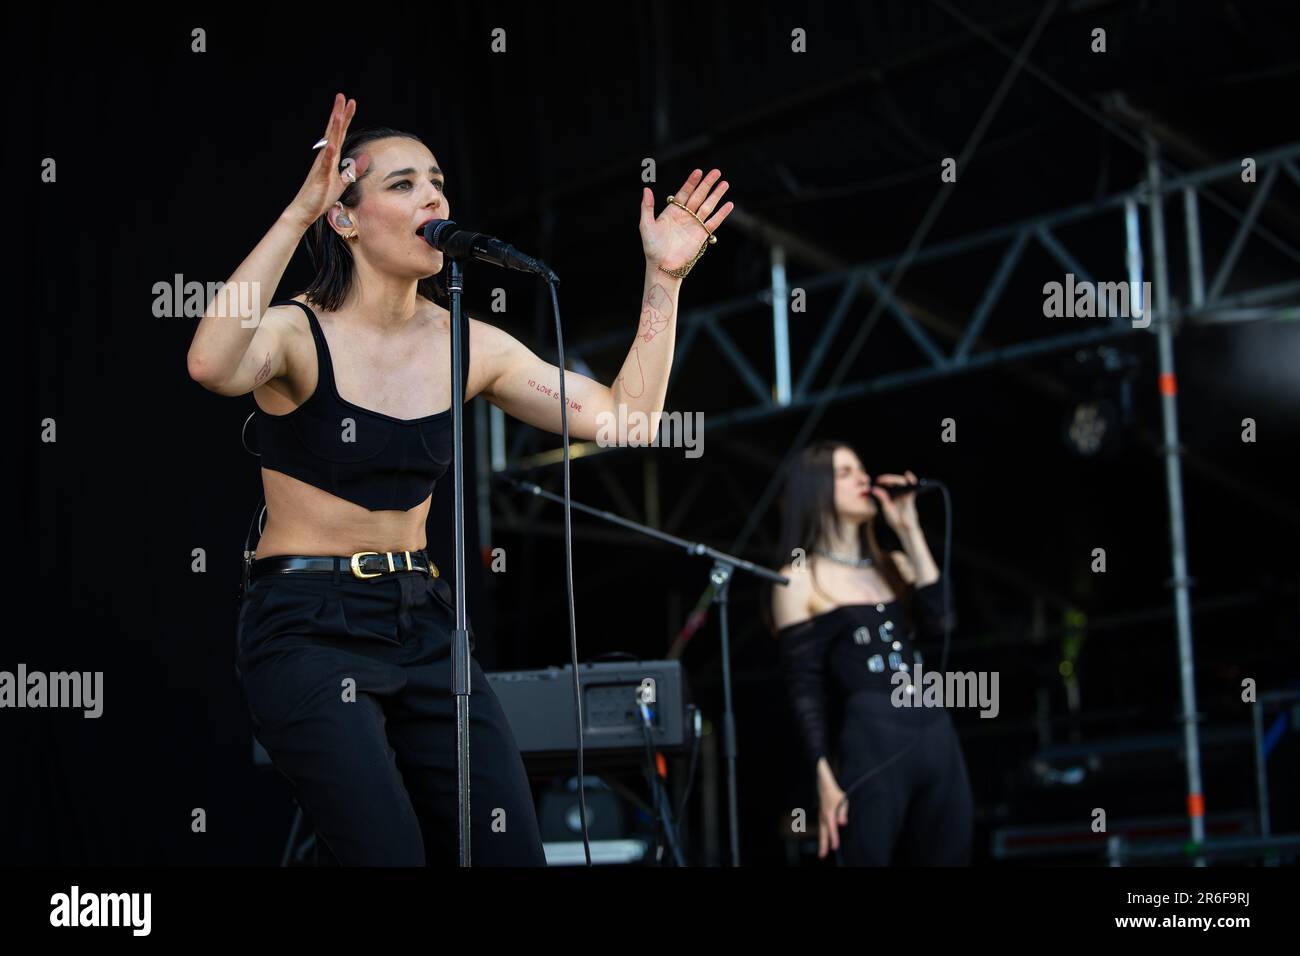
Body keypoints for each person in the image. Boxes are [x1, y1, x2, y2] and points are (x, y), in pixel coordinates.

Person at [186, 93, 734, 865]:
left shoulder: (469, 344)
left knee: (509, 852)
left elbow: (628, 419)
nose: (435, 196)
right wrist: (296, 214)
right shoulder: (295, 332)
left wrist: (664, 279)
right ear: (344, 217)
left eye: (438, 180)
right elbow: (211, 363)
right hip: (308, 625)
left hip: (422, 619)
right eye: (404, 184)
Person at [770, 440, 972, 865]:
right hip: (872, 735)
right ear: (816, 490)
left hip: (935, 727)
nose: (863, 478)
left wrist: (909, 527)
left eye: (861, 468)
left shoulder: (895, 563)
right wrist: (825, 778)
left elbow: (944, 621)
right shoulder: (799, 578)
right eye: (845, 473)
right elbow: (804, 689)